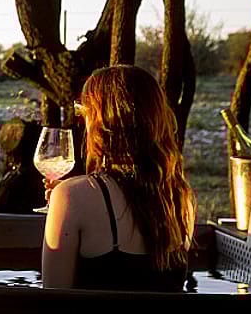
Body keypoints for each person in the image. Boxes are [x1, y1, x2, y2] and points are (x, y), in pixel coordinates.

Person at [41, 65, 195, 291]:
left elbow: (52, 298)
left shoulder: (72, 196)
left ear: (100, 123)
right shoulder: (180, 198)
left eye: (85, 113)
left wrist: (63, 202)